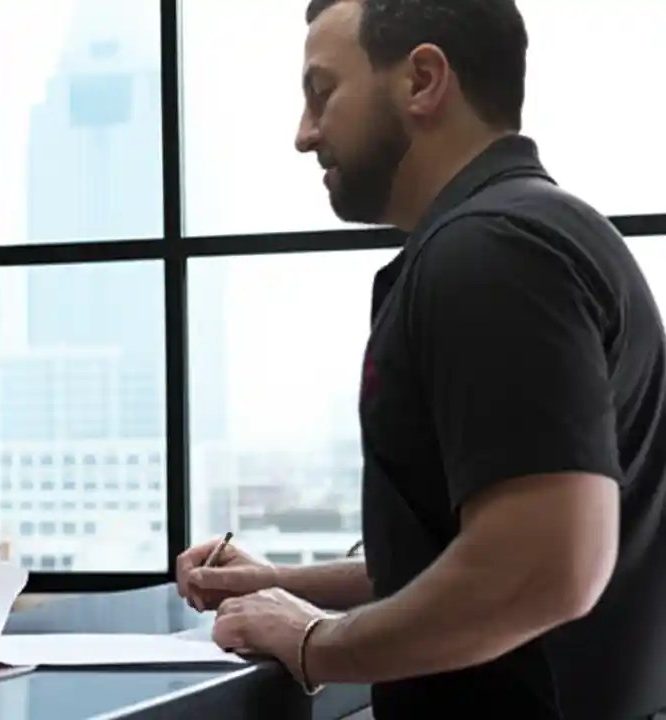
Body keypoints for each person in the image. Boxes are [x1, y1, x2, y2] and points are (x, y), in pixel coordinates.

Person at [176, 1, 666, 718]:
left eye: (322, 93)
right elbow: (471, 558)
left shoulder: (491, 254)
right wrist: (286, 584)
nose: (304, 134)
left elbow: (541, 569)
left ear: (423, 81)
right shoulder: (530, 234)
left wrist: (316, 643)